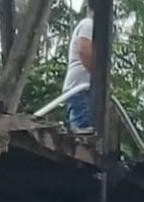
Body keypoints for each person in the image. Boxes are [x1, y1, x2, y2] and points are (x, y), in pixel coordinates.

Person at [61, 3, 95, 132]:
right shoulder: (89, 24)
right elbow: (84, 51)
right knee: (85, 135)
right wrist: (100, 78)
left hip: (81, 89)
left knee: (85, 132)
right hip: (80, 89)